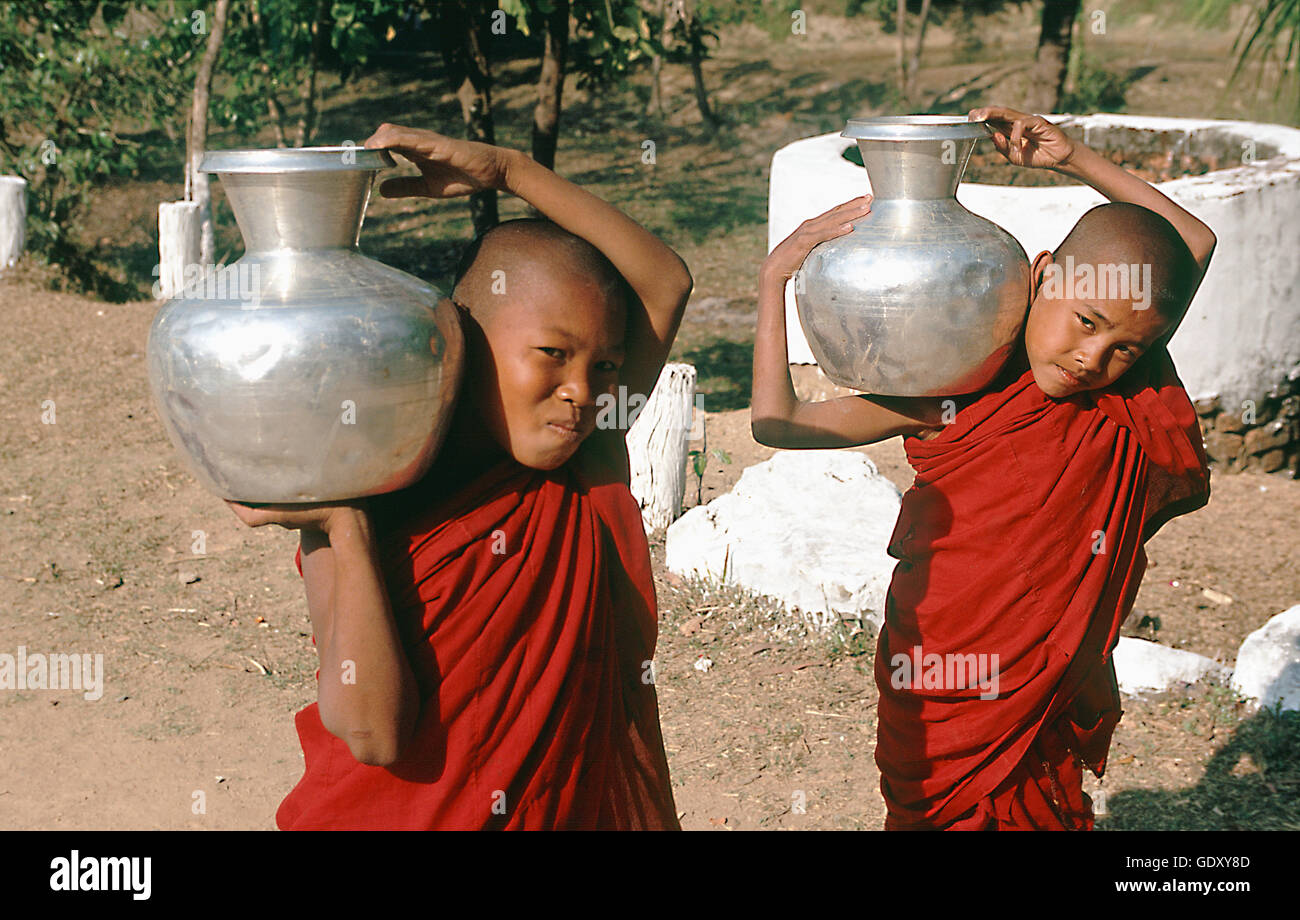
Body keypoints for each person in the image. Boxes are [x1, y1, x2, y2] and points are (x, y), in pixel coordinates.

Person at [751, 105, 1216, 830]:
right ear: (1044, 274)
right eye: (1086, 322)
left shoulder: (1120, 390)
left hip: (1042, 680)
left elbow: (1190, 242)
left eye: (1126, 348)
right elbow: (779, 422)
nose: (1093, 357)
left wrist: (1073, 158)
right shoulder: (959, 381)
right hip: (940, 668)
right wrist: (775, 280)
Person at [226, 123, 692, 830]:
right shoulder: (370, 493)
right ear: (465, 340)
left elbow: (667, 280)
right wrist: (346, 533)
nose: (581, 390)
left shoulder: (584, 463)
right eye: (552, 353)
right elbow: (374, 734)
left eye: (603, 365)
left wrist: (509, 169)